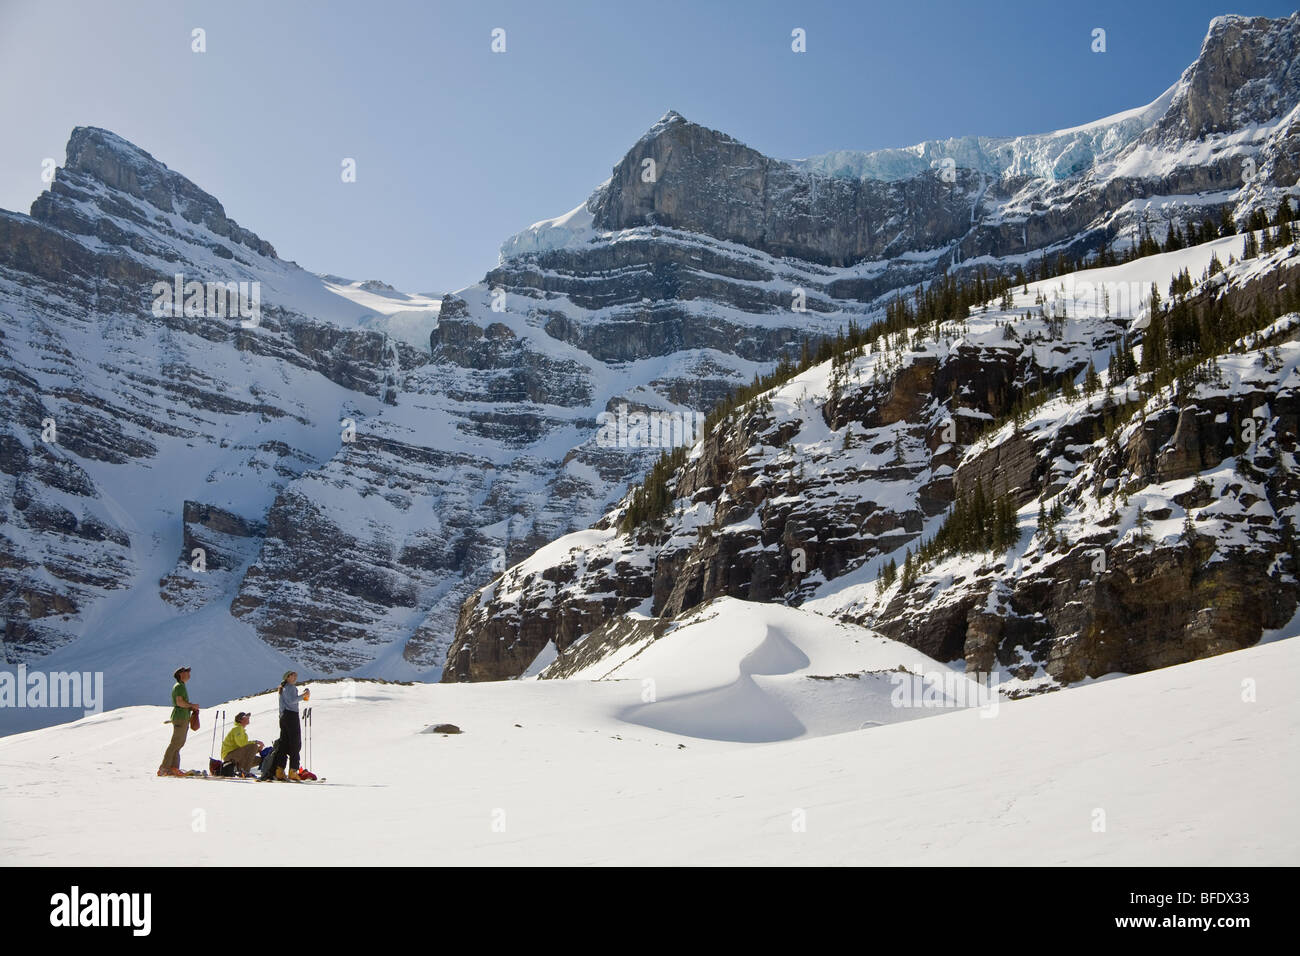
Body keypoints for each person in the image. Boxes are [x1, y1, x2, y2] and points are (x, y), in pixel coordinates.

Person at [260, 671, 309, 782]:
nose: (295, 677)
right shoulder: (290, 687)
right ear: (287, 677)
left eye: (296, 675)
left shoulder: (283, 688)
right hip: (291, 715)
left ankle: (280, 770)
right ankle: (293, 770)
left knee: (284, 743)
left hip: (284, 717)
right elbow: (291, 701)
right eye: (293, 675)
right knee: (295, 743)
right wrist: (303, 696)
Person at [158, 666, 199, 777]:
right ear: (181, 674)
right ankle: (164, 768)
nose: (189, 673)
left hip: (182, 716)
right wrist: (191, 705)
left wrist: (190, 707)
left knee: (179, 743)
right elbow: (180, 702)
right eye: (186, 672)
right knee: (176, 743)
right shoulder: (179, 686)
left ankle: (173, 768)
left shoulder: (181, 686)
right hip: (180, 717)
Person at [220, 711, 264, 777]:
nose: (248, 718)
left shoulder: (242, 731)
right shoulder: (237, 729)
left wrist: (257, 750)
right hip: (229, 756)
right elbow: (242, 744)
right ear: (240, 720)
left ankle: (241, 770)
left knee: (260, 760)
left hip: (235, 755)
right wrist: (256, 742)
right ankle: (245, 772)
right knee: (253, 746)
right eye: (246, 717)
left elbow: (244, 749)